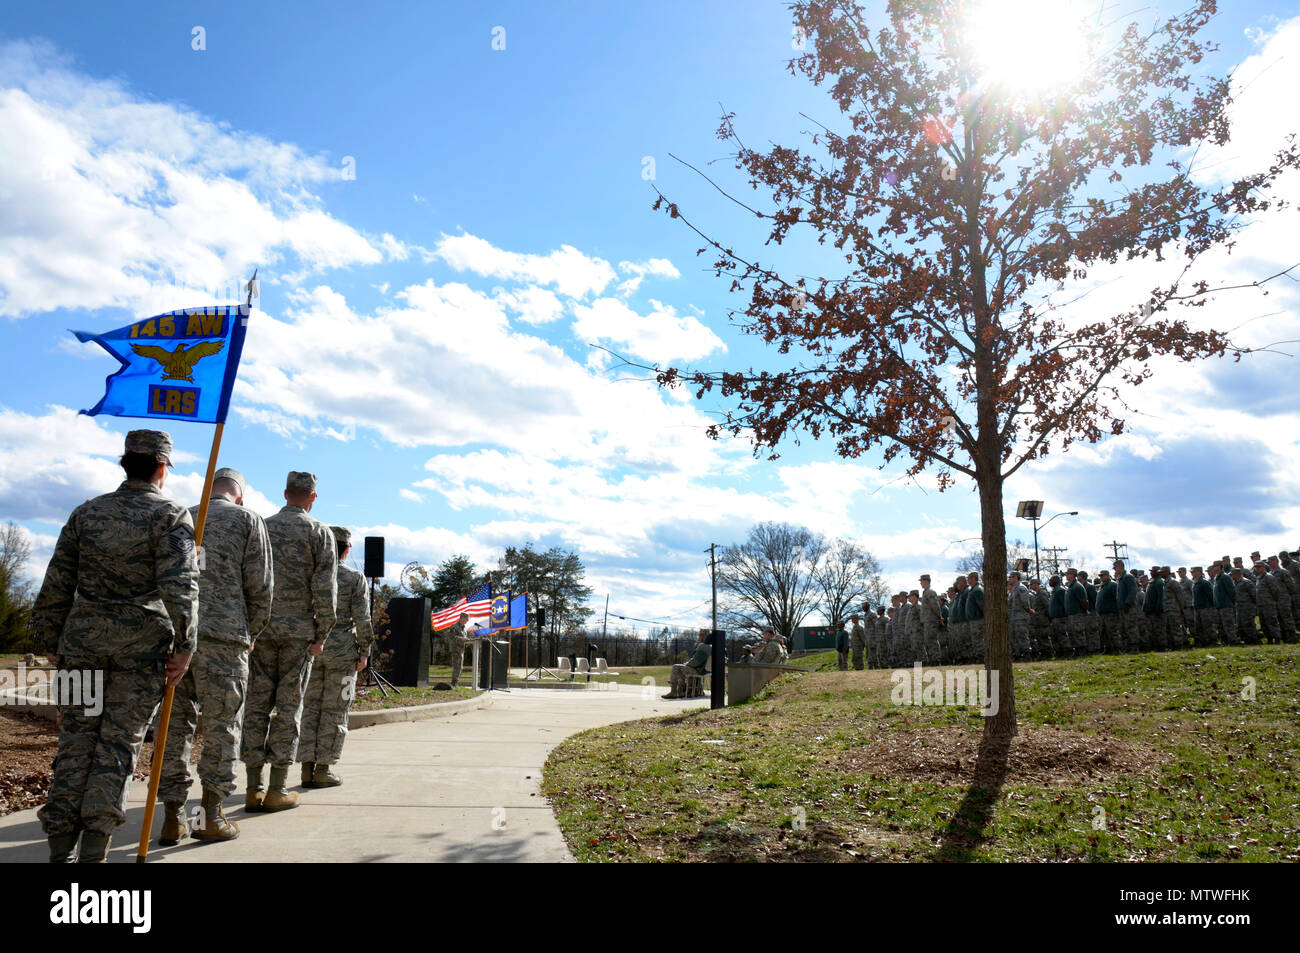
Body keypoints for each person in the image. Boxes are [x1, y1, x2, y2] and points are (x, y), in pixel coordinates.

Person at [30, 430, 199, 863]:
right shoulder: (171, 515)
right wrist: (185, 644)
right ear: (163, 467)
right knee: (117, 747)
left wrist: (49, 637)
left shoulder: (87, 513)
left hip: (81, 643)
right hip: (138, 650)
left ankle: (60, 846)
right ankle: (94, 849)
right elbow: (180, 585)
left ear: (126, 463)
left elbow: (57, 580)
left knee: (75, 743)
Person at [157, 467, 273, 846]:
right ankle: (211, 815)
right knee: (223, 727)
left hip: (177, 638)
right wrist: (250, 633)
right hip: (225, 640)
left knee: (174, 728)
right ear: (239, 495)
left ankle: (172, 816)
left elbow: (165, 576)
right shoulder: (247, 520)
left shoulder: (180, 516)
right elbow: (260, 585)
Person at [242, 472, 336, 813]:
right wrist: (321, 633)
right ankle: (278, 788)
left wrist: (250, 630)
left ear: (285, 493)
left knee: (255, 706)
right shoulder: (318, 532)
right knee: (288, 708)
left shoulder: (261, 526)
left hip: (262, 631)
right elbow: (325, 587)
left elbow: (248, 578)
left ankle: (253, 787)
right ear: (313, 497)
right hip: (298, 634)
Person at [299, 527, 375, 789]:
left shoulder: (311, 574)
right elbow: (363, 619)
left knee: (309, 709)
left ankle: (306, 768)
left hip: (312, 650)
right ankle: (324, 769)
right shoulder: (354, 578)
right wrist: (364, 651)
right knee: (336, 709)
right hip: (343, 654)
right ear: (347, 549)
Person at [665, 632, 710, 698]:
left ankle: (674, 692)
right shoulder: (715, 648)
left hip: (699, 671)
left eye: (701, 636)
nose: (700, 637)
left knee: (676, 667)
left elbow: (695, 662)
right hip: (707, 671)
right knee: (681, 669)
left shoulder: (703, 647)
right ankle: (683, 692)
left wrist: (686, 664)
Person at [443, 613, 472, 686]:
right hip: (455, 649)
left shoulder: (464, 628)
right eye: (466, 619)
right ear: (462, 618)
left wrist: (467, 640)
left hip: (461, 649)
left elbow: (463, 637)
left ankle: (455, 682)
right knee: (457, 666)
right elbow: (450, 636)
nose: (467, 621)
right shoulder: (454, 626)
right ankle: (454, 682)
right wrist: (461, 638)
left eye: (468, 619)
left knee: (460, 666)